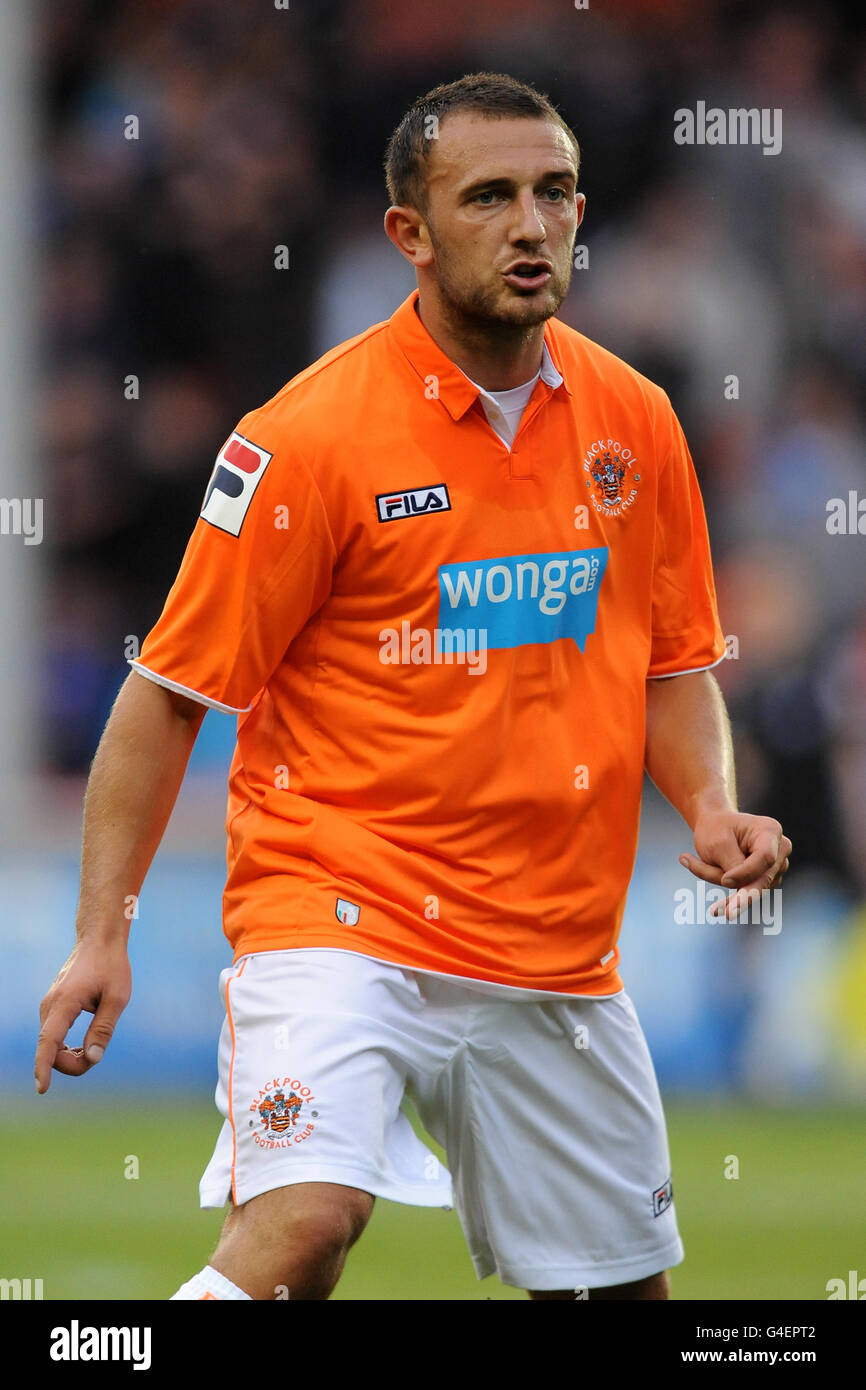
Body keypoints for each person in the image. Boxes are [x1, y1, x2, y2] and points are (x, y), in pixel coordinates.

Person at [35, 72, 791, 1301]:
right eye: (488, 196)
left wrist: (708, 808)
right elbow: (167, 692)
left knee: (618, 1296)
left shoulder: (635, 422)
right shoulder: (307, 436)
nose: (530, 224)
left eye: (552, 194)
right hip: (340, 906)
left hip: (551, 941)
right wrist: (100, 931)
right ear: (409, 233)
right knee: (303, 1227)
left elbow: (671, 662)